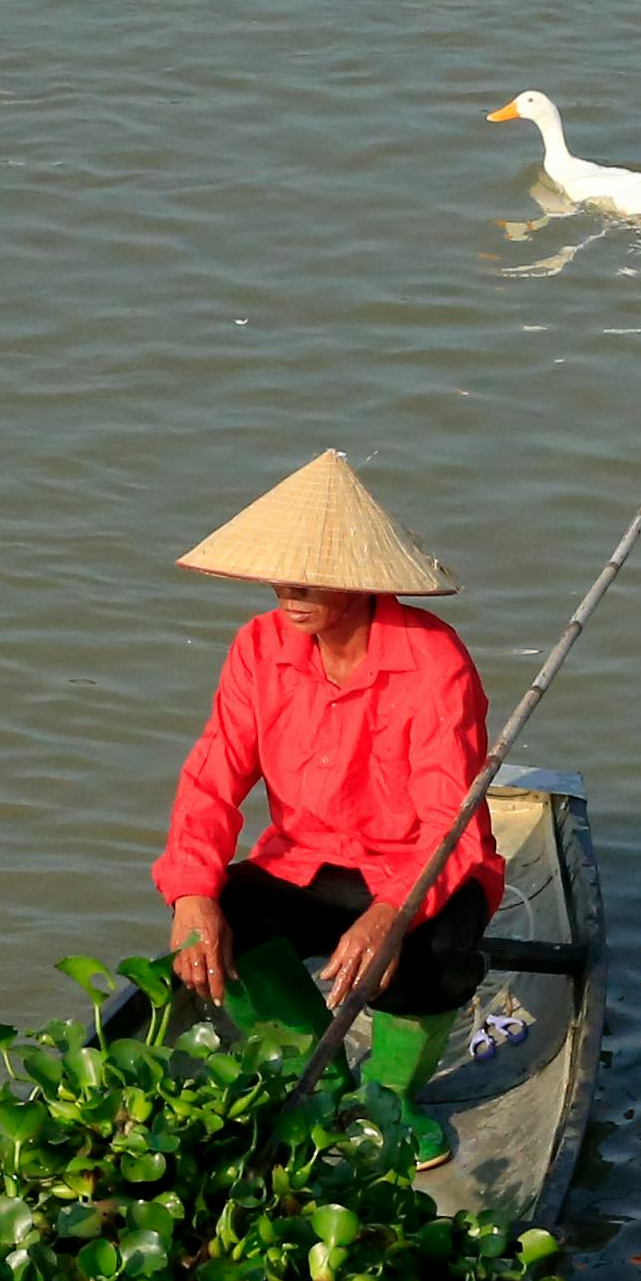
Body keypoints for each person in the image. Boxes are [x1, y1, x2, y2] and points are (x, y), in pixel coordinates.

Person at [148, 450, 497, 1072]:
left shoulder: (433, 659)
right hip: (308, 858)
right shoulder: (258, 647)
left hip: (419, 867)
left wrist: (390, 915)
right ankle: (319, 1077)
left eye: (313, 575)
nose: (291, 591)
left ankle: (389, 1101)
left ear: (361, 580)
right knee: (221, 920)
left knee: (436, 957)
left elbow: (453, 825)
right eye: (283, 575)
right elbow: (212, 778)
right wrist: (191, 892)